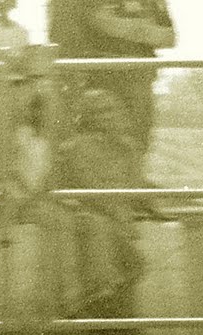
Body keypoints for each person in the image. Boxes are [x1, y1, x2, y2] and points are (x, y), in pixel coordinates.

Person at [51, 86, 145, 317]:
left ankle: (110, 312)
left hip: (118, 215)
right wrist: (118, 213)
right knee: (126, 262)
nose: (109, 116)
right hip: (88, 214)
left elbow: (135, 187)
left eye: (111, 109)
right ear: (88, 117)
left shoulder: (128, 147)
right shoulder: (76, 148)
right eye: (101, 111)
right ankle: (98, 308)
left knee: (132, 265)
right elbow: (90, 190)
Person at [66, 0, 175, 163]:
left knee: (138, 144)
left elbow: (169, 37)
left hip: (140, 80)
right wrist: (144, 29)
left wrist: (124, 27)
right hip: (102, 80)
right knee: (100, 144)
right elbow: (99, 22)